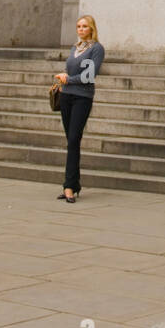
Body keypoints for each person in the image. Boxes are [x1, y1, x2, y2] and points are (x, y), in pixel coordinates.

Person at [53, 14, 104, 203]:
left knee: (74, 138)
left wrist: (69, 79)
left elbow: (90, 75)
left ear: (92, 28)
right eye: (78, 26)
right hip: (66, 96)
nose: (81, 29)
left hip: (82, 97)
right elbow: (72, 70)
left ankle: (68, 186)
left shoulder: (97, 49)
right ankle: (74, 184)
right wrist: (64, 78)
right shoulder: (75, 47)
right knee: (71, 141)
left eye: (84, 26)